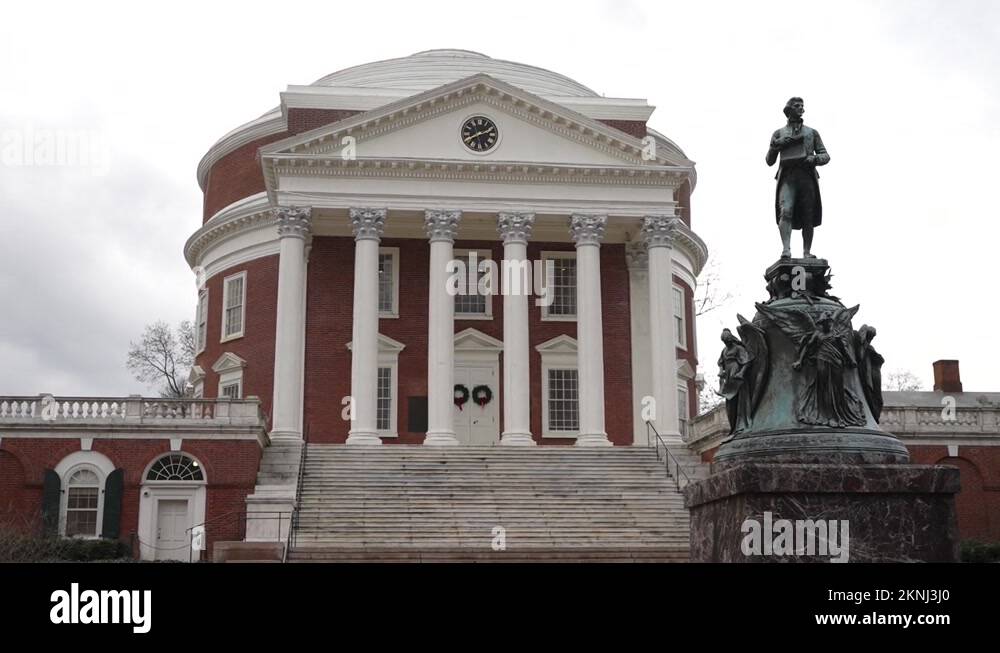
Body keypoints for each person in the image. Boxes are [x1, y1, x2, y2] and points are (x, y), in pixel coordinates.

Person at [766, 97, 830, 259]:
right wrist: (776, 145)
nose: (801, 108)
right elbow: (769, 161)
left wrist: (813, 159)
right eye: (797, 106)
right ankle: (786, 249)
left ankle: (806, 252)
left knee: (808, 215)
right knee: (785, 211)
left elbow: (825, 155)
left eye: (802, 106)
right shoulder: (779, 133)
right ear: (789, 110)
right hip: (788, 178)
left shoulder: (811, 132)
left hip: (807, 177)